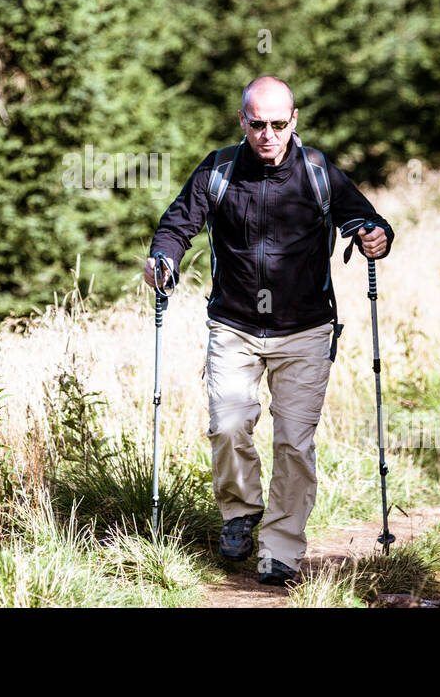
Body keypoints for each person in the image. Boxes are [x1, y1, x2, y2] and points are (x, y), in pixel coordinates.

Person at [143, 75, 394, 587]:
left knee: (293, 444)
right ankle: (239, 513)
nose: (268, 135)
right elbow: (176, 227)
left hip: (305, 330)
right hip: (233, 325)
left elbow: (368, 221)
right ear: (243, 122)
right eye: (257, 124)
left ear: (294, 121)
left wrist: (376, 238)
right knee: (229, 425)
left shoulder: (319, 173)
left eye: (279, 124)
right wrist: (162, 260)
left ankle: (280, 548)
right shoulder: (217, 171)